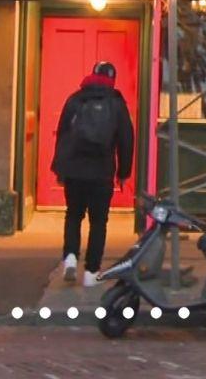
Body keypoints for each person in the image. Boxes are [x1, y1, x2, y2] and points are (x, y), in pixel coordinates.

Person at [52, 61, 135, 287]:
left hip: (75, 171)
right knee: (98, 222)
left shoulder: (75, 99)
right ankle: (91, 272)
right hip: (101, 172)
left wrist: (60, 168)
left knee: (73, 215)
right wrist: (124, 172)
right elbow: (126, 139)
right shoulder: (117, 103)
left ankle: (70, 257)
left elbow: (62, 134)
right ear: (112, 79)